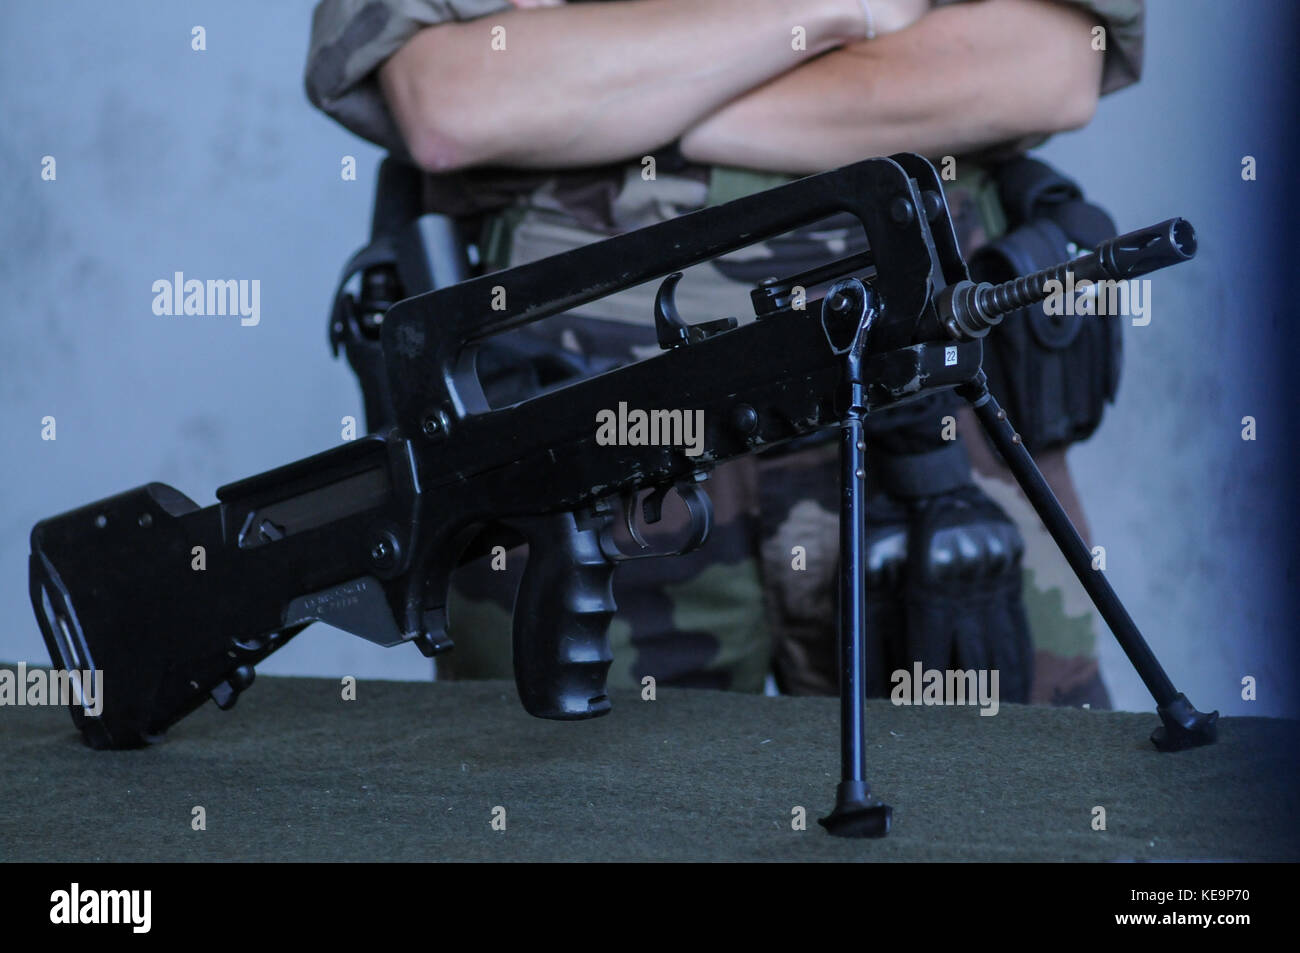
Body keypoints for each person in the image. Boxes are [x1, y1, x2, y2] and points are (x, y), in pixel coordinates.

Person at [305, 0, 1144, 707]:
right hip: (576, 428)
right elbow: (454, 105)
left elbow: (1052, 63)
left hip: (926, 406)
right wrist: (840, 10)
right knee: (562, 817)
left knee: (1014, 811)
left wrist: (638, 101)